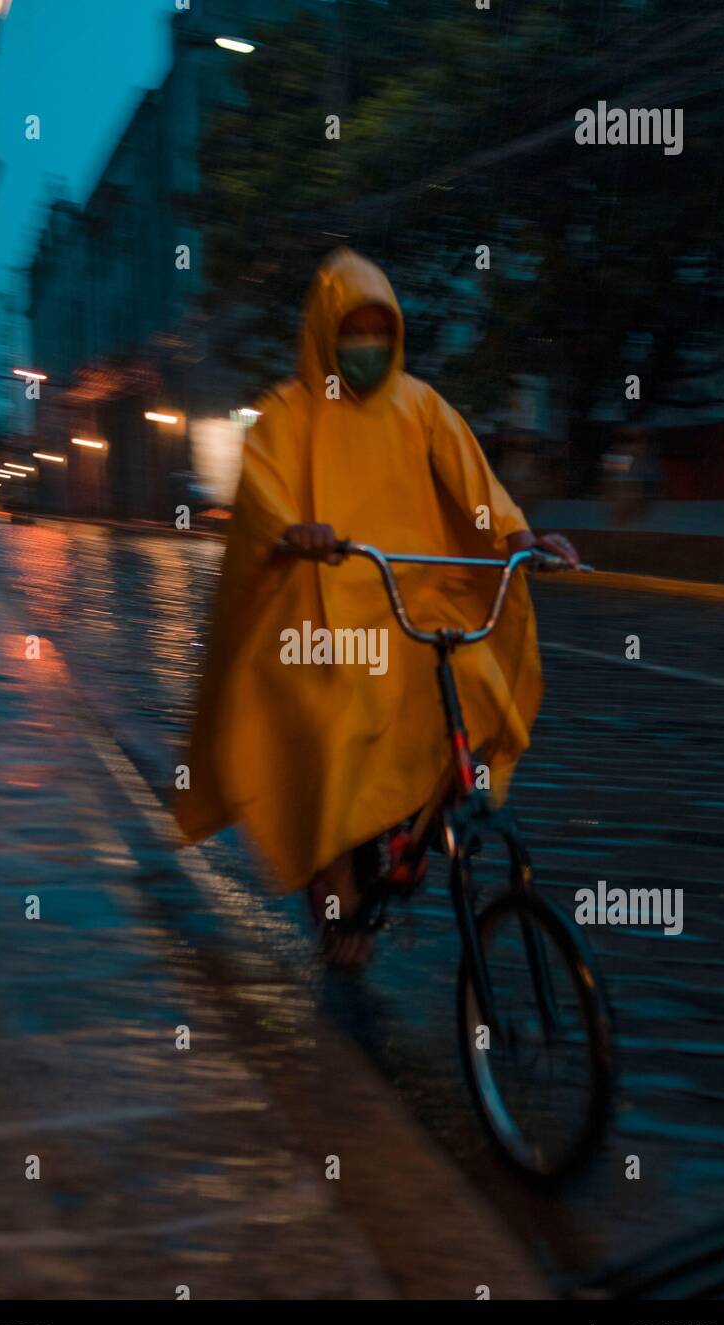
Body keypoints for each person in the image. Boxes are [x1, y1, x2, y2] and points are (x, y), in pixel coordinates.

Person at [175, 249, 579, 966]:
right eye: (353, 330)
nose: (367, 346)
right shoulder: (284, 415)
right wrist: (293, 531)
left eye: (379, 331)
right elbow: (262, 497)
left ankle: (409, 829)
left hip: (415, 606)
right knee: (339, 727)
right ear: (326, 333)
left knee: (478, 689)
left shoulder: (421, 405)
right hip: (318, 619)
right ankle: (336, 883)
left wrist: (524, 538)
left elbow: (478, 487)